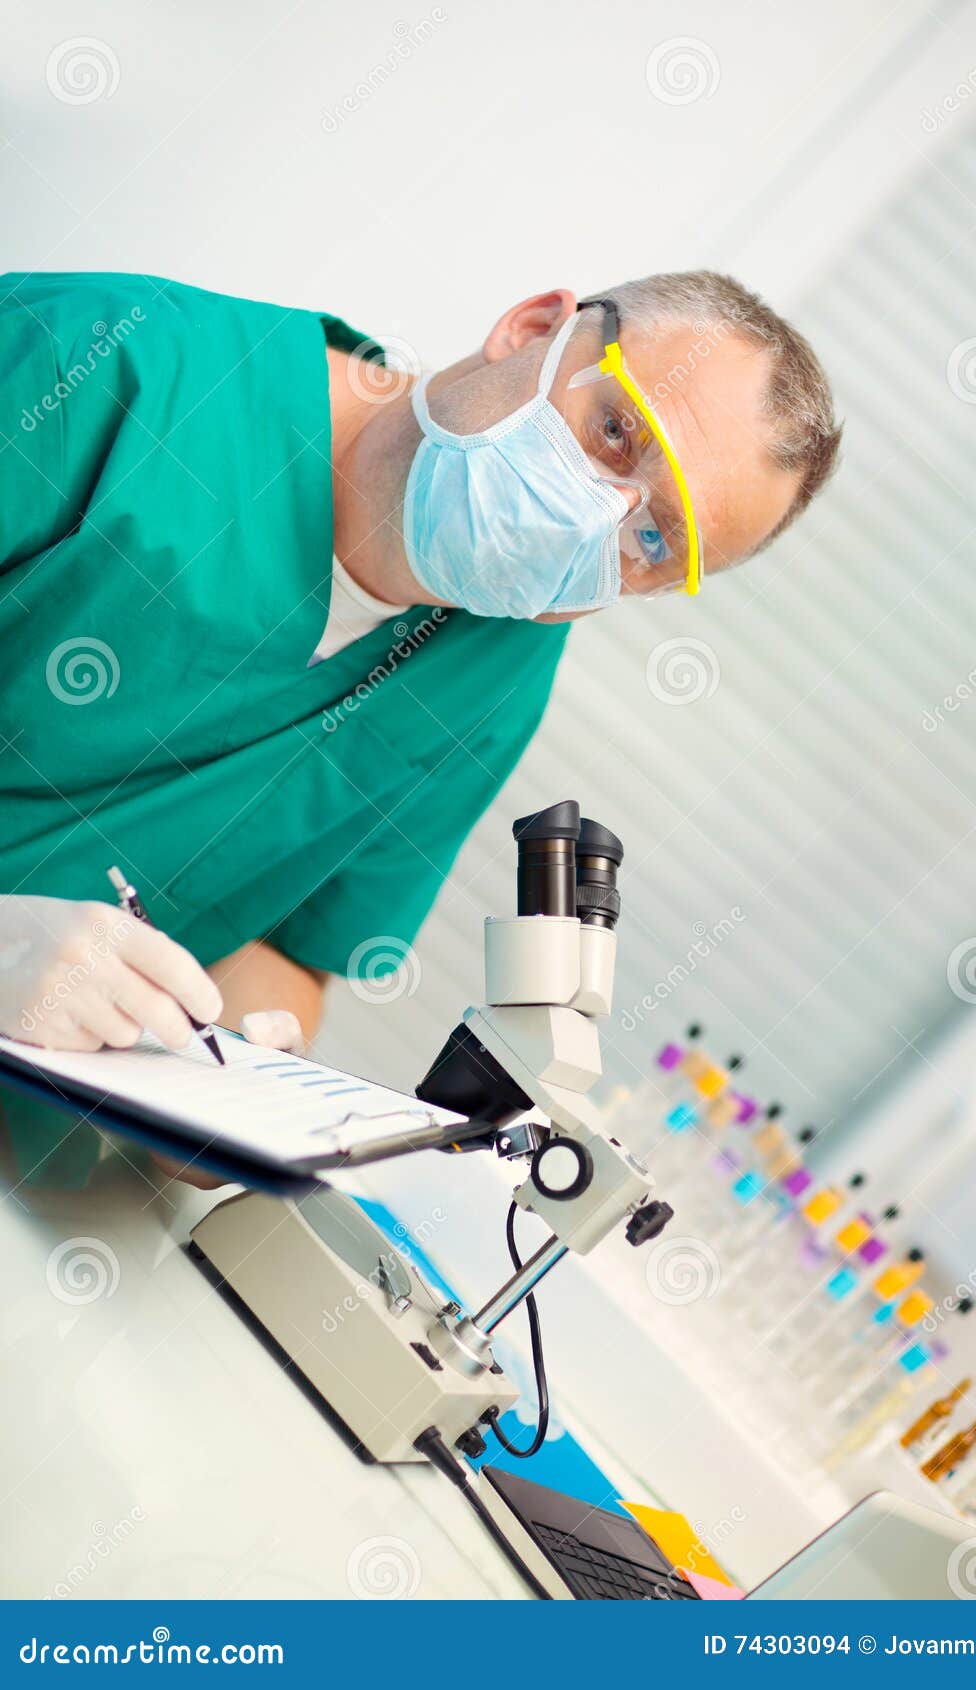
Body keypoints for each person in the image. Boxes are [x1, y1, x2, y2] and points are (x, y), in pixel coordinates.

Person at [0, 268, 840, 1186]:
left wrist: (239, 1077)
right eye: (613, 432)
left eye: (656, 543)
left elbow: (289, 947)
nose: (599, 513)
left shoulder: (495, 670)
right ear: (529, 331)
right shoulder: (102, 362)